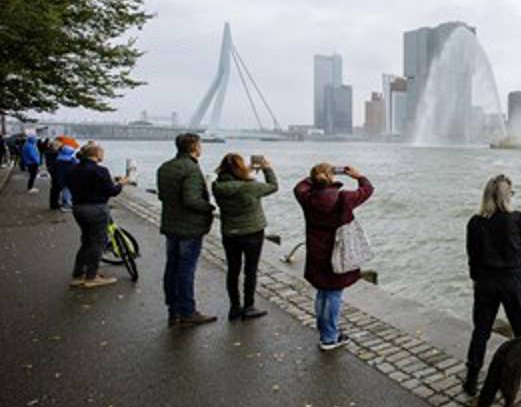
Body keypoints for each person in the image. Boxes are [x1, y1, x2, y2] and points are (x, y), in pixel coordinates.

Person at [462, 174, 521, 396]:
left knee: (481, 331)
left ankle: (471, 378)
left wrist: (476, 279)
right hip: (512, 282)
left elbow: (472, 256)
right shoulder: (516, 219)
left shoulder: (475, 222)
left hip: (486, 281)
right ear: (507, 197)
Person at [294, 163, 373, 351]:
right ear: (331, 177)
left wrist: (315, 176)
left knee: (323, 293)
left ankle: (325, 330)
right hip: (336, 252)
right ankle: (329, 338)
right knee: (334, 294)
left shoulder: (307, 197)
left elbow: (299, 187)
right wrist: (358, 175)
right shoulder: (343, 198)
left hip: (316, 251)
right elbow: (368, 190)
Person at [157, 133, 217, 327]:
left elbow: (163, 196)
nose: (201, 148)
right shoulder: (191, 169)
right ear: (193, 147)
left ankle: (173, 310)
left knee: (172, 267)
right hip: (189, 227)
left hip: (171, 224)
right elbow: (191, 199)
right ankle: (187, 311)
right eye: (200, 144)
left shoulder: (165, 167)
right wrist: (209, 207)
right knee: (186, 269)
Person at [212, 153, 278, 321]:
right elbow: (273, 186)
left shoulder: (217, 186)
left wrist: (244, 172)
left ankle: (234, 308)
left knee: (233, 270)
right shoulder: (249, 186)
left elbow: (232, 182)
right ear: (240, 168)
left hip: (230, 233)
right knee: (250, 270)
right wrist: (266, 168)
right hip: (252, 232)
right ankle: (249, 307)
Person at [64, 143, 128, 288]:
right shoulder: (100, 170)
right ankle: (92, 277)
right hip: (96, 209)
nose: (103, 155)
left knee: (86, 242)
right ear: (96, 154)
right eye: (102, 152)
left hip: (78, 208)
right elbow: (111, 191)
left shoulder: (73, 169)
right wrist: (121, 184)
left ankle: (78, 274)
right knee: (98, 243)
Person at [51, 141, 79, 210]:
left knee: (56, 191)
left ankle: (55, 204)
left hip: (57, 178)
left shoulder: (58, 159)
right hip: (67, 179)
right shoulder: (71, 160)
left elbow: (53, 169)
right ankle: (66, 204)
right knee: (67, 191)